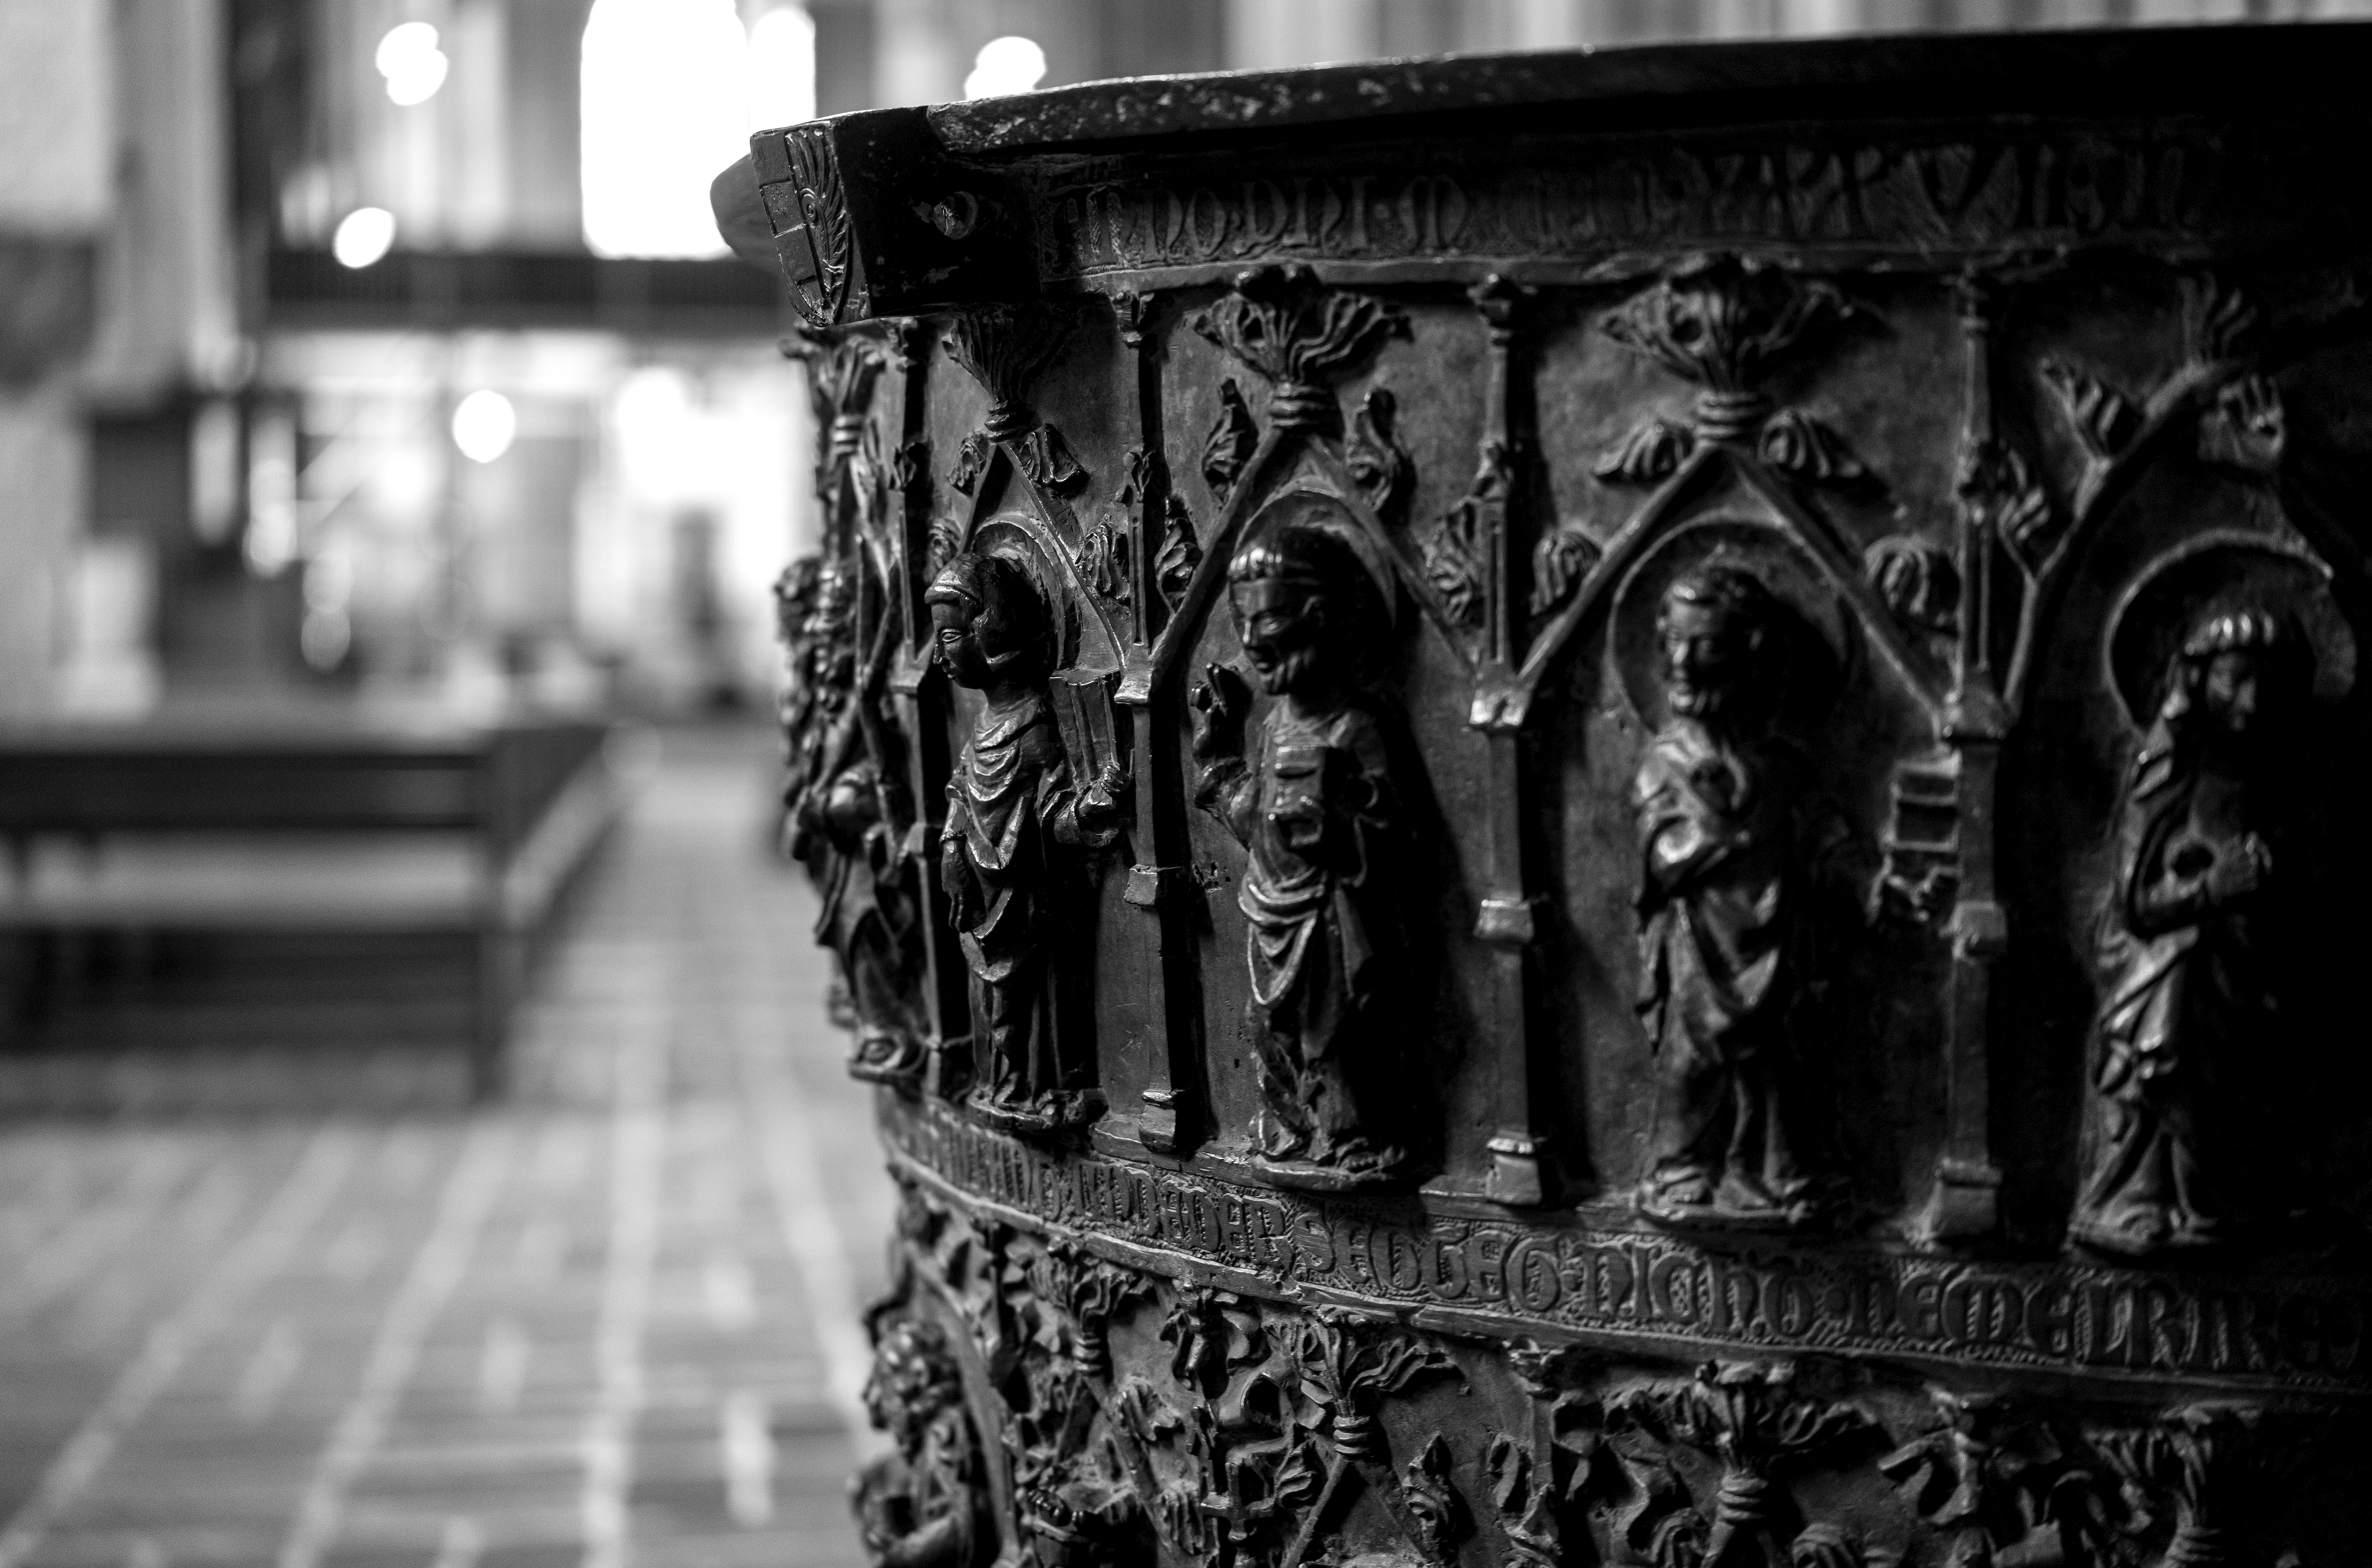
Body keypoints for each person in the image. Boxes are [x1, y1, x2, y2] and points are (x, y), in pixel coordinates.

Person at [2070, 603, 2306, 1255]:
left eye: (2266, 683)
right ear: (2196, 678)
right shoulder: (2166, 772)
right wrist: (2208, 889)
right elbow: (2135, 906)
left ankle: (2230, 1205)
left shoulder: (2278, 778)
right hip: (2177, 965)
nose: (2251, 701)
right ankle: (2139, 1196)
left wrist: (2272, 875)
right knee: (2172, 996)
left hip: (2252, 971)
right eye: (2234, 678)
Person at [1193, 521, 1413, 1182]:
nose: (1250, 640)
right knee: (1270, 1027)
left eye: (1267, 620)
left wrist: (1338, 820)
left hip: (1330, 918)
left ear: (1321, 618)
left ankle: (1351, 1139)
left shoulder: (1355, 725)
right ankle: (1294, 1128)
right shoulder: (1275, 726)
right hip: (1270, 914)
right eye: (1241, 622)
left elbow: (1394, 832)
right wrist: (1219, 759)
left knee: (1333, 1033)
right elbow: (1254, 824)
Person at [1632, 564, 1842, 1227]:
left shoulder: (1781, 767)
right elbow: (1663, 858)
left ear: (1749, 659)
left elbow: (1829, 842)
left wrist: (1874, 884)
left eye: (1706, 645)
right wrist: (1720, 834)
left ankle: (1774, 1172)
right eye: (1674, 642)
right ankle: (1679, 1166)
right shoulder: (1666, 760)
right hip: (1699, 943)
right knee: (1691, 1059)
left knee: (1777, 1065)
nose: (1682, 663)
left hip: (1775, 940)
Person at [927, 552, 1127, 1132]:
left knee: (1029, 1001)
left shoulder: (1038, 725)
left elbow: (1053, 817)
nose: (939, 654)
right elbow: (962, 790)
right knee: (994, 1007)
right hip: (983, 898)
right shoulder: (986, 723)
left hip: (1030, 900)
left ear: (992, 632)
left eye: (950, 637)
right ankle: (1002, 1085)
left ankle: (1041, 1090)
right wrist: (951, 849)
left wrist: (1089, 807)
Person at [851, 1319, 989, 1568]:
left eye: (883, 1383)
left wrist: (905, 1554)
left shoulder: (943, 1432)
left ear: (918, 1379)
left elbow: (968, 1520)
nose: (875, 1397)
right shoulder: (922, 1445)